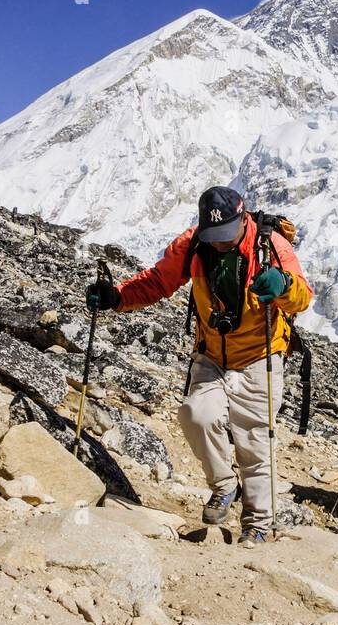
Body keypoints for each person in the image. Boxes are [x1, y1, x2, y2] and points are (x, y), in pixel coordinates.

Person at [85, 186, 312, 546]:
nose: (219, 243)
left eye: (225, 237)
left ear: (243, 220)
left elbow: (302, 297)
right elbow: (160, 281)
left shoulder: (271, 247)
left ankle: (257, 523)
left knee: (255, 440)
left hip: (260, 354)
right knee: (195, 414)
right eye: (213, 237)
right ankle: (224, 486)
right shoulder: (194, 244)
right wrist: (117, 297)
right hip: (211, 353)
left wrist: (282, 285)